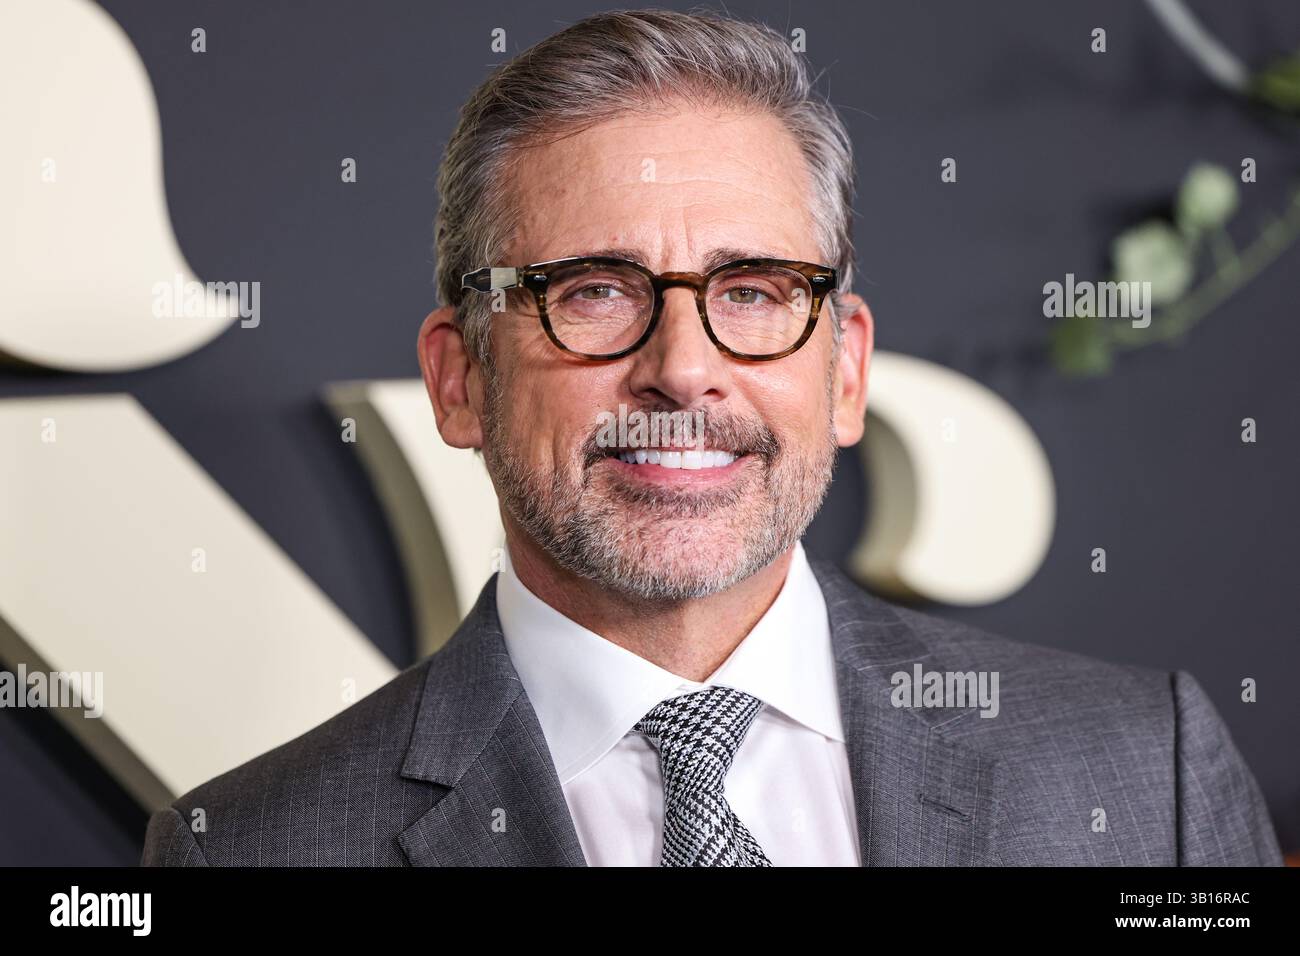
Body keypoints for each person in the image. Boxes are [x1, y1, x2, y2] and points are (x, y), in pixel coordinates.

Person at [142, 8, 1282, 867]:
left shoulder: (1149, 774)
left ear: (844, 370)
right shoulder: (248, 850)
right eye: (593, 290)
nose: (683, 367)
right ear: (460, 380)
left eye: (752, 290)